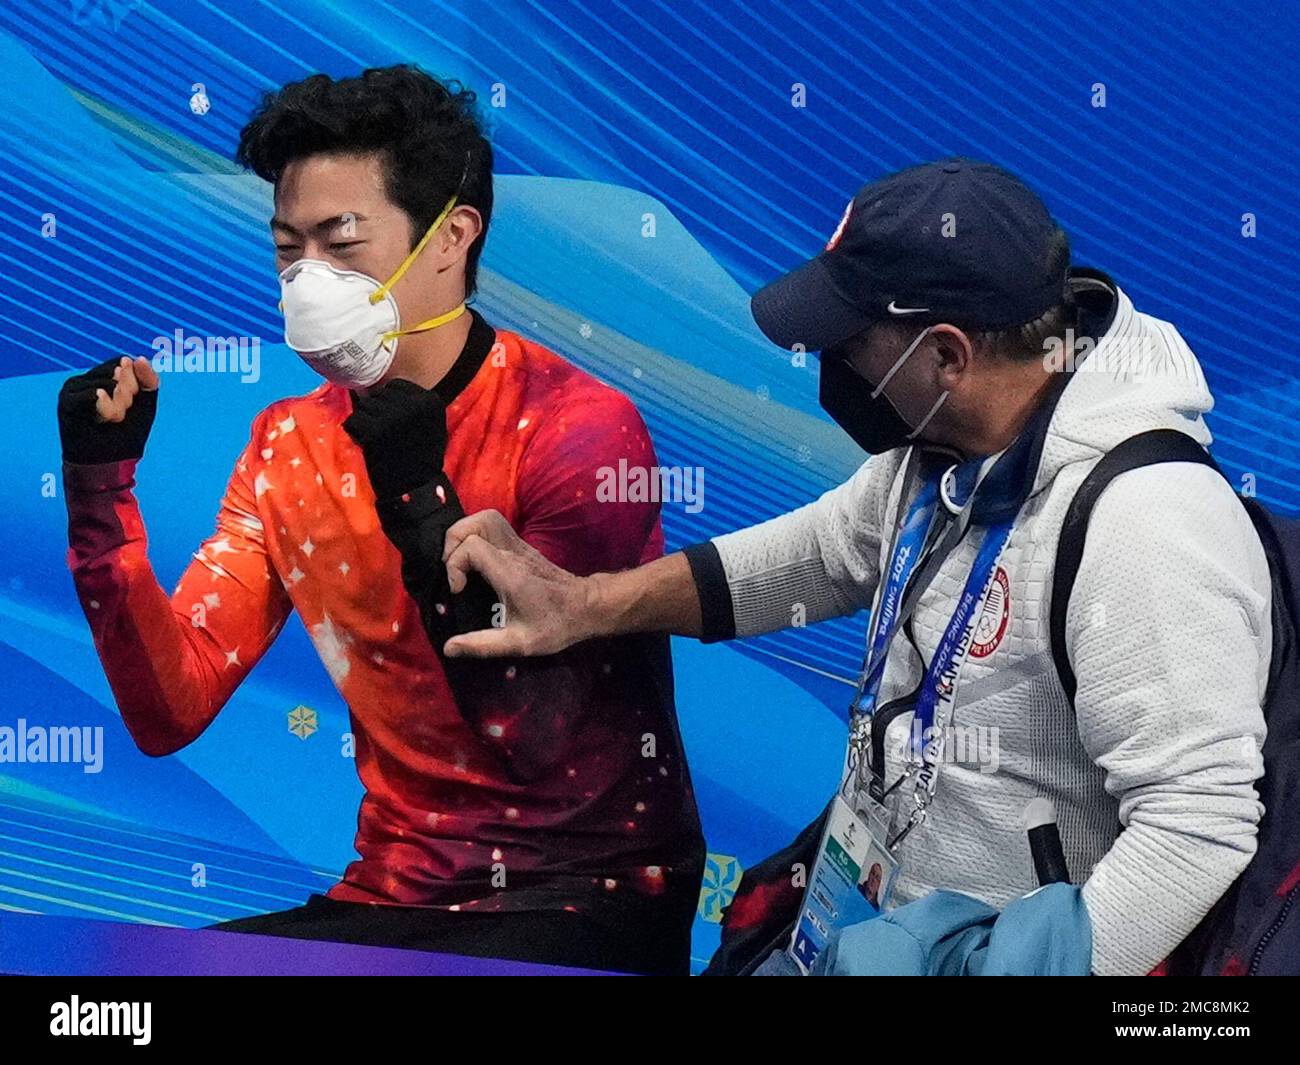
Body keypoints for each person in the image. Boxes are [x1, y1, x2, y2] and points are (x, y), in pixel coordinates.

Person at [434, 158, 1271, 976]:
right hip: (869, 930)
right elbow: (821, 555)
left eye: (850, 340)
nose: (826, 363)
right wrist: (587, 602)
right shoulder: (948, 445)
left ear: (946, 356)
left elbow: (1199, 824)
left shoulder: (1146, 523)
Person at [56, 66, 704, 976]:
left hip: (583, 899)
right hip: (390, 902)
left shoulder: (578, 428)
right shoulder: (287, 442)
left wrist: (420, 502)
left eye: (342, 243)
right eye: (289, 249)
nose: (307, 278)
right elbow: (171, 705)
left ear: (452, 237)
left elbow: (539, 736)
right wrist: (99, 491)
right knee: (110, 994)